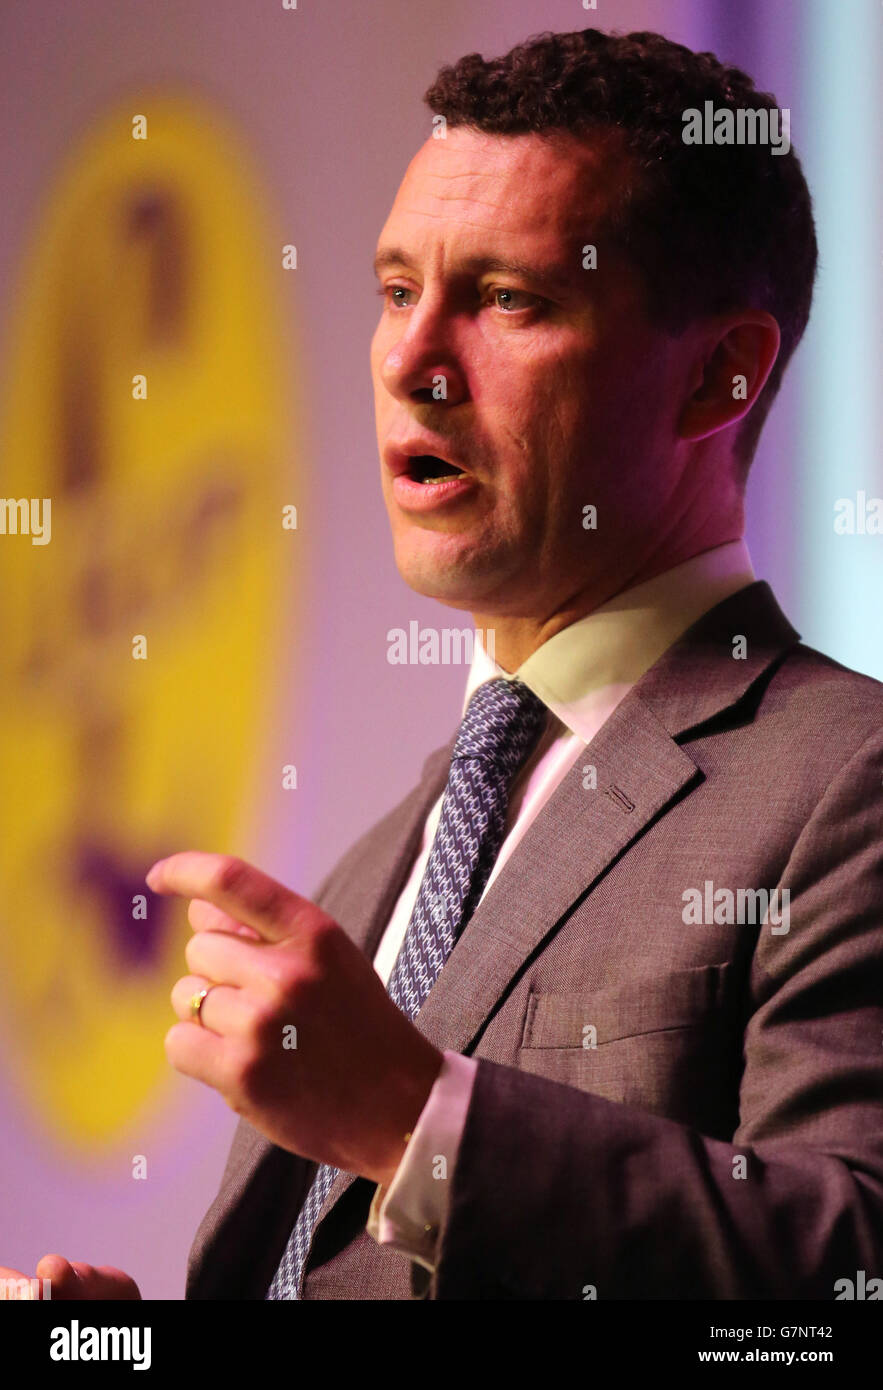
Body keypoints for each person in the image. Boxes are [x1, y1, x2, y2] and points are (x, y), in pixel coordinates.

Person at [4, 27, 882, 1301]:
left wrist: (416, 1117)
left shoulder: (841, 783)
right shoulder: (386, 858)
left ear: (719, 375)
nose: (412, 362)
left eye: (509, 299)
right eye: (397, 289)